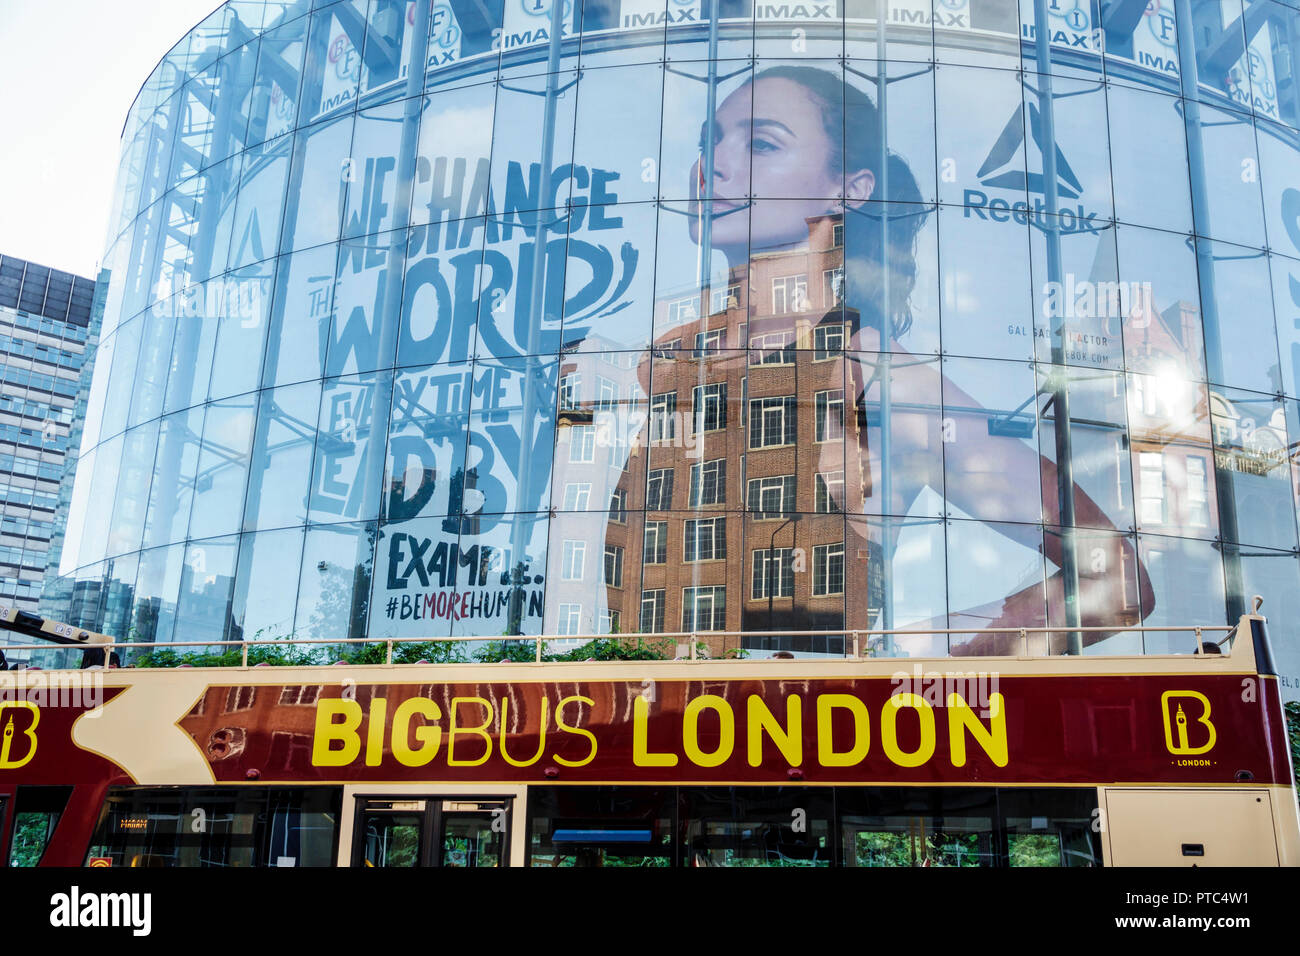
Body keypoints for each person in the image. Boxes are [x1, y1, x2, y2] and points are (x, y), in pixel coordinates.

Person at [633, 65, 1153, 650]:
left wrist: (914, 656)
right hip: (637, 727)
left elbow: (1117, 580)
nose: (716, 165)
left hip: (807, 731)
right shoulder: (667, 360)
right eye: (711, 140)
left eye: (760, 143)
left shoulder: (873, 369)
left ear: (848, 189)